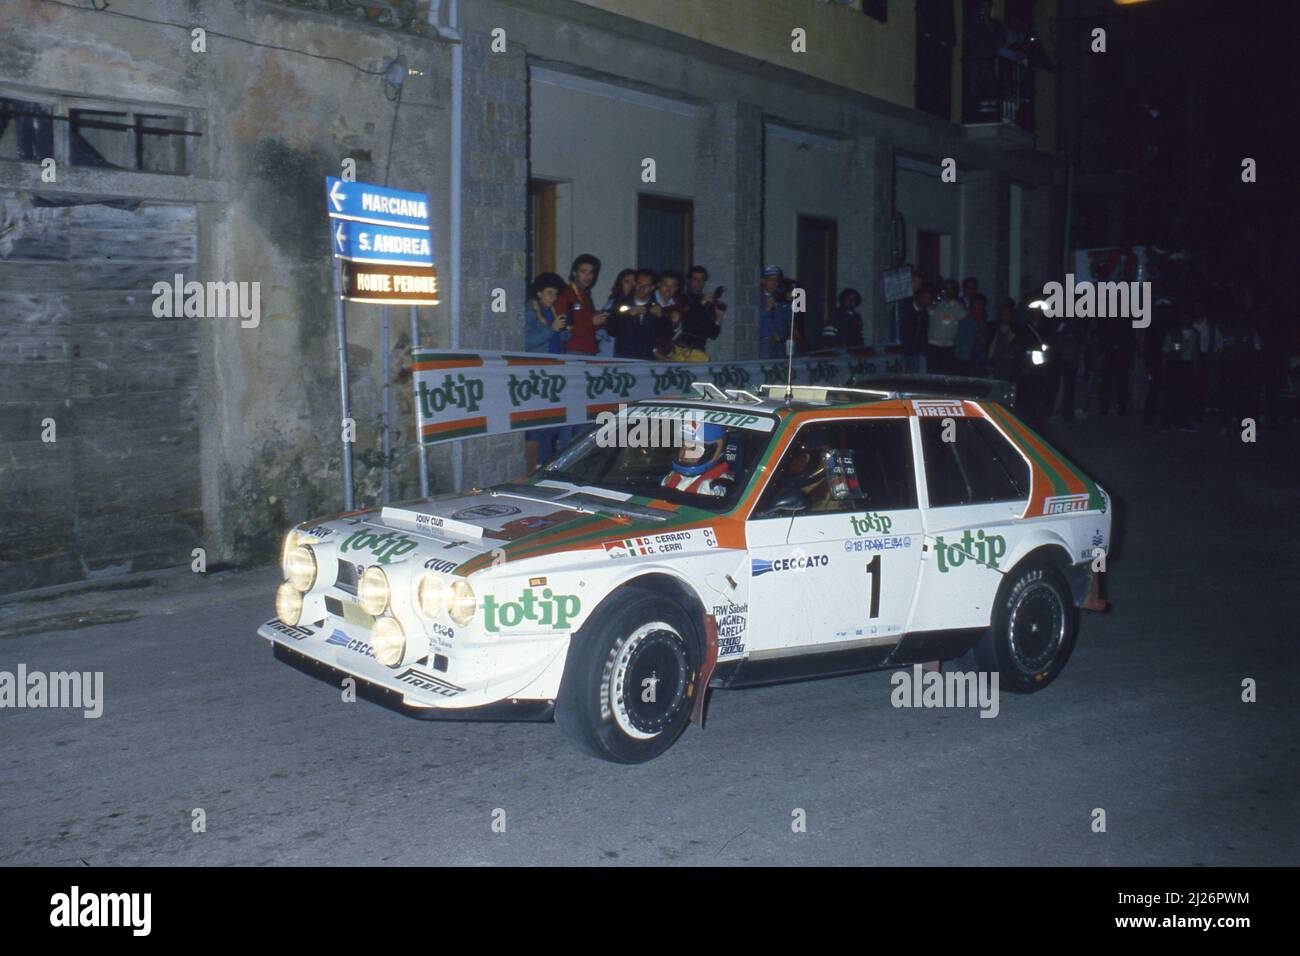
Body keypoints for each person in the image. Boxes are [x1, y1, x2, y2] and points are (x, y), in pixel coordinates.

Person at [522, 272, 574, 471]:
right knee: (539, 421)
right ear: (539, 293)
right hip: (536, 372)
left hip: (554, 371)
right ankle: (539, 464)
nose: (553, 298)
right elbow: (527, 342)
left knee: (556, 420)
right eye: (549, 293)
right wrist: (552, 328)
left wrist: (564, 332)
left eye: (555, 294)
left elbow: (555, 339)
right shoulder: (529, 311)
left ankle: (552, 462)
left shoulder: (551, 311)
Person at [606, 268, 671, 360]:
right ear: (635, 284)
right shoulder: (620, 303)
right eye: (639, 284)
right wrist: (627, 314)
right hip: (624, 359)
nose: (642, 288)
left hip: (647, 361)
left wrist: (662, 317)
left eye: (646, 285)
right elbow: (611, 330)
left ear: (652, 288)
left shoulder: (656, 308)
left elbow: (666, 336)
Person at [555, 253, 608, 356]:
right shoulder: (566, 295)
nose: (587, 276)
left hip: (589, 350)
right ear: (574, 273)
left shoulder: (586, 295)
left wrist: (600, 322)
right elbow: (564, 330)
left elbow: (586, 323)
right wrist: (591, 322)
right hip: (574, 351)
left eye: (591, 273)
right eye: (583, 272)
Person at [662, 421, 731, 496]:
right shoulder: (673, 475)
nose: (684, 453)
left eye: (693, 449)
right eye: (682, 446)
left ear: (714, 452)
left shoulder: (717, 484)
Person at [674, 265, 725, 361]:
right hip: (681, 347)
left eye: (702, 279)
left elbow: (713, 334)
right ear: (689, 280)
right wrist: (702, 304)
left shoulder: (708, 302)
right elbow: (688, 323)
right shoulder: (681, 298)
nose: (699, 283)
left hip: (699, 348)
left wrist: (718, 318)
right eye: (695, 279)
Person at [1161, 309, 1199, 431]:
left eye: (1188, 318)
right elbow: (1166, 350)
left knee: (1186, 395)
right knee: (1170, 394)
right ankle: (1166, 422)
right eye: (1184, 317)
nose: (1186, 320)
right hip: (1174, 365)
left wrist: (1195, 367)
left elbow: (1196, 352)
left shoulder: (1195, 333)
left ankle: (1184, 421)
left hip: (1188, 365)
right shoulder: (1172, 332)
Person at [926, 278, 964, 375]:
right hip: (933, 345)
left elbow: (962, 315)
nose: (947, 291)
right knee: (933, 373)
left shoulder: (957, 305)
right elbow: (928, 311)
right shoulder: (937, 303)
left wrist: (951, 303)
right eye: (945, 289)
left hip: (948, 346)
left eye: (950, 289)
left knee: (946, 374)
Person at [598, 268, 636, 357]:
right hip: (609, 353)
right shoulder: (612, 304)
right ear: (620, 284)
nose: (631, 285)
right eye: (627, 282)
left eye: (634, 282)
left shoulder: (639, 305)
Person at [759, 266, 792, 360]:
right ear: (762, 280)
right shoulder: (756, 297)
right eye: (770, 280)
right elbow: (754, 321)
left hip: (780, 342)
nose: (774, 283)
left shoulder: (780, 296)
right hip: (764, 342)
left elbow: (788, 319)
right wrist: (767, 308)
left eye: (776, 280)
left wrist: (788, 303)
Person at [900, 283, 931, 373]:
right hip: (904, 350)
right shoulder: (905, 310)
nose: (927, 301)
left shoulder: (925, 314)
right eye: (925, 298)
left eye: (929, 299)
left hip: (917, 351)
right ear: (918, 297)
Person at [987, 299, 1018, 381]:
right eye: (1004, 313)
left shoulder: (1017, 331)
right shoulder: (991, 329)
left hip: (1008, 369)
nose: (1005, 316)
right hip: (993, 368)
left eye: (1008, 314)